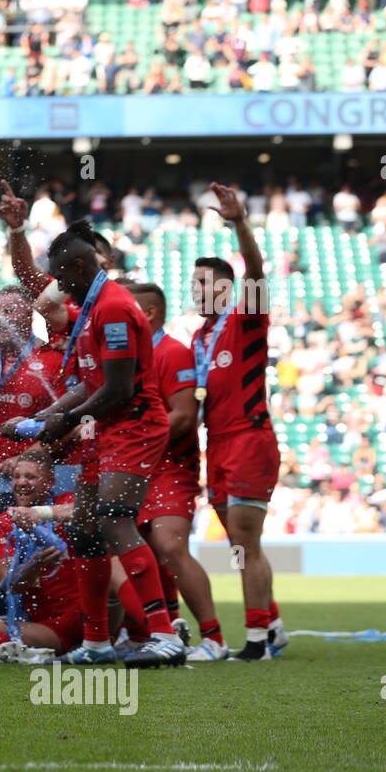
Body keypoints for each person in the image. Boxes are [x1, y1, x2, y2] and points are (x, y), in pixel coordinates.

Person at [0, 220, 184, 668]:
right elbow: (89, 382)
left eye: (64, 278)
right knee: (84, 529)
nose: (61, 287)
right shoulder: (93, 307)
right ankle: (97, 642)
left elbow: (119, 389)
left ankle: (166, 635)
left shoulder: (114, 308)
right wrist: (42, 417)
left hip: (134, 425)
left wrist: (59, 422)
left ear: (80, 267)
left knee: (115, 519)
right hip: (106, 429)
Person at [191, 183, 286, 660]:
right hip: (219, 444)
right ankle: (273, 623)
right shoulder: (198, 337)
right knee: (236, 543)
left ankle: (256, 642)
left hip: (250, 438)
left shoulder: (245, 318)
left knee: (245, 542)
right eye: (193, 284)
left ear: (227, 289)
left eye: (205, 284)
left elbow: (258, 271)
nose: (196, 290)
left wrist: (240, 223)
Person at [122, 280, 228, 660]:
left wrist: (132, 443)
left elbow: (183, 417)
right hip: (136, 466)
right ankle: (164, 630)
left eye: (126, 308)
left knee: (169, 545)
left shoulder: (172, 353)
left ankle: (214, 639)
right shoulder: (126, 356)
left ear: (147, 313)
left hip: (168, 465)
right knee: (141, 549)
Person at [0, 451, 81, 661]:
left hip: (92, 612)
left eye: (30, 477)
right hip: (51, 628)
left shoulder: (65, 503)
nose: (21, 482)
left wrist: (41, 514)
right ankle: (17, 653)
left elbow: (89, 511)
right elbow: (12, 584)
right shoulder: (1, 524)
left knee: (114, 562)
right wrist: (36, 563)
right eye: (16, 476)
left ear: (50, 482)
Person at [0, 284, 66, 466]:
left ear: (29, 316)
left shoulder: (54, 361)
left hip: (29, 470)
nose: (1, 318)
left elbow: (68, 425)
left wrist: (26, 458)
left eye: (9, 311)